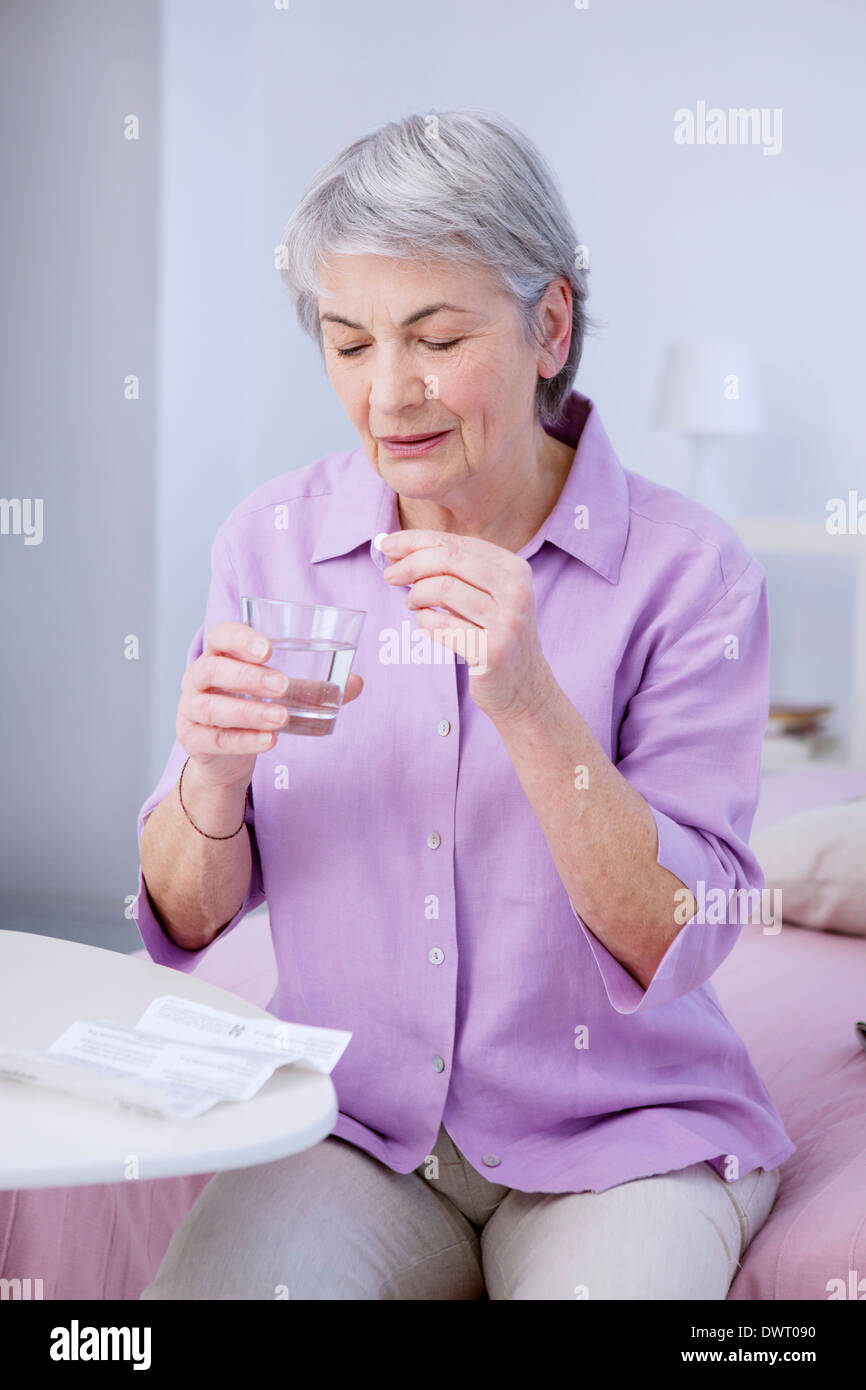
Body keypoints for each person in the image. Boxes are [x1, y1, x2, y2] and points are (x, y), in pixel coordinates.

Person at [136, 109, 793, 1300]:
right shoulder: (272, 545)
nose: (389, 393)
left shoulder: (689, 573)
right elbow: (182, 917)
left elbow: (682, 930)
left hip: (621, 1139)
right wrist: (209, 780)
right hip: (352, 1129)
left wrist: (532, 705)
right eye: (347, 343)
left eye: (435, 337)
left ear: (548, 325)